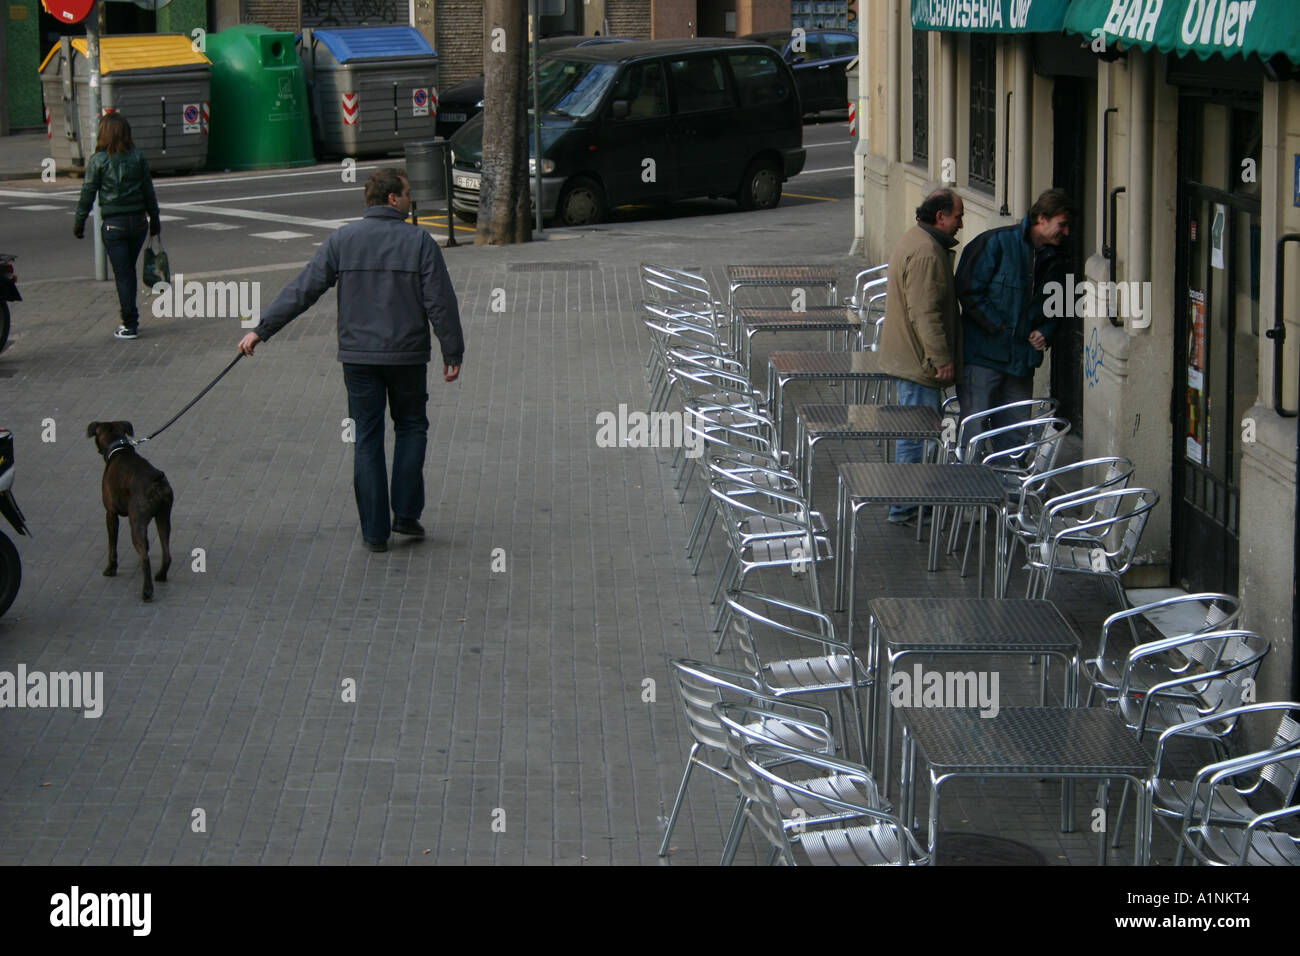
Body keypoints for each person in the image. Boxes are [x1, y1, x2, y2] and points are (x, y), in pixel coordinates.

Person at [237, 168, 465, 553]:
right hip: (407, 356)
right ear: (393, 199)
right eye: (408, 194)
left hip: (358, 359)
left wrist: (261, 329)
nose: (411, 200)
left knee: (367, 439)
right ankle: (406, 514)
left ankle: (375, 533)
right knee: (411, 427)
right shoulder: (420, 242)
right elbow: (439, 302)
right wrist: (452, 351)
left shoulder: (343, 240)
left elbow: (304, 288)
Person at [955, 187, 1076, 447]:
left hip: (1020, 363)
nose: (1066, 232)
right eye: (1062, 224)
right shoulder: (996, 243)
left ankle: (1009, 486)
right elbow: (968, 289)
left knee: (1015, 439)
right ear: (1042, 218)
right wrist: (1001, 328)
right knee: (974, 433)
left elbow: (1061, 304)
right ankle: (967, 485)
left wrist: (1046, 331)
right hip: (983, 357)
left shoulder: (1059, 259)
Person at [876, 187, 964, 526]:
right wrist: (941, 358)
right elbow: (925, 313)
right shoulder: (927, 252)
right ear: (940, 217)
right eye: (957, 216)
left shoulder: (917, 239)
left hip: (910, 359)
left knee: (914, 435)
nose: (960, 224)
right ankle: (904, 507)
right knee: (915, 437)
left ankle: (908, 503)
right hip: (918, 363)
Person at [73, 113, 161, 340]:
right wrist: (155, 219)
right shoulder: (138, 157)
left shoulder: (98, 160)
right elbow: (148, 191)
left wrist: (79, 221)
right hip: (138, 222)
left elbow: (88, 193)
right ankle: (130, 320)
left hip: (114, 225)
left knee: (124, 274)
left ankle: (129, 324)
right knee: (128, 272)